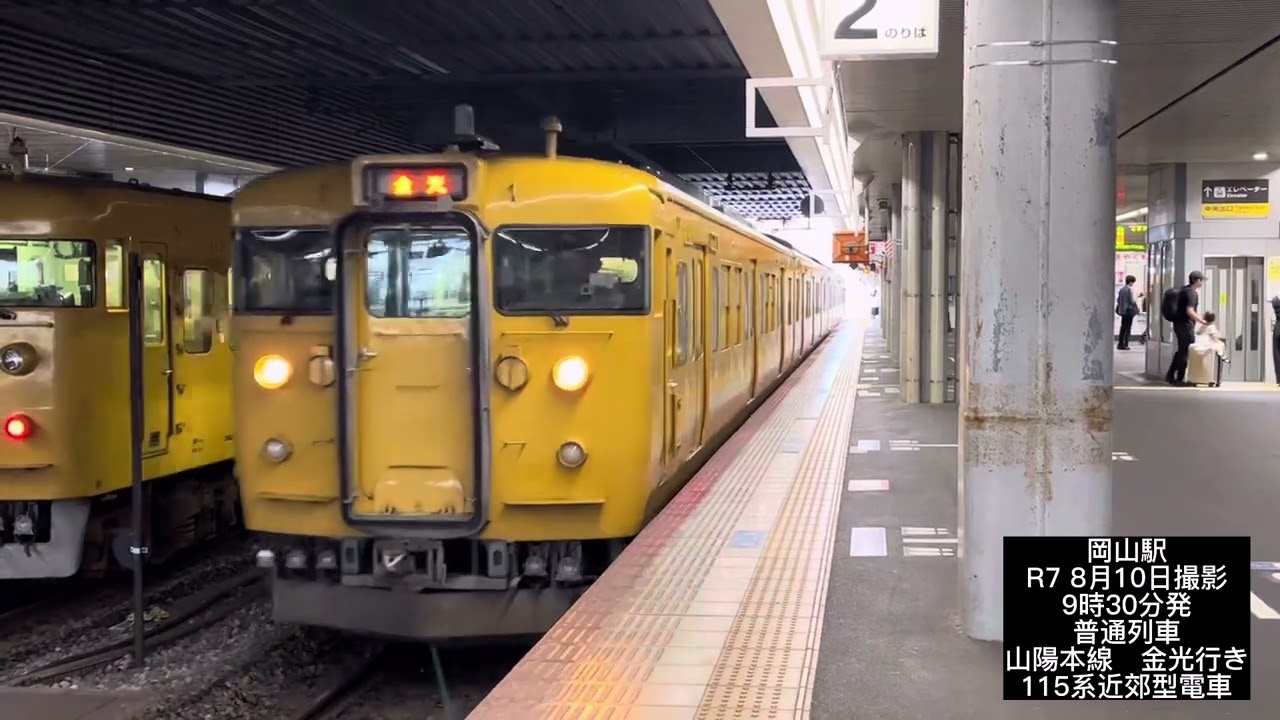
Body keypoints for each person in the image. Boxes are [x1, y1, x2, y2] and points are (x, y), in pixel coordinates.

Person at [1165, 271, 1207, 386]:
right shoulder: (1191, 293)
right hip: (1185, 325)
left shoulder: (1184, 290)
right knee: (1186, 351)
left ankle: (1170, 375)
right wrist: (1202, 321)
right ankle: (1180, 378)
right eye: (1201, 280)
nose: (1202, 283)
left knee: (1182, 350)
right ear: (1196, 280)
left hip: (1179, 325)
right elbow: (1190, 311)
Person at [1187, 310, 1226, 386]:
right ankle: (1211, 378)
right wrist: (1218, 341)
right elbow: (1214, 337)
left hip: (1198, 346)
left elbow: (1198, 333)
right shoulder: (1211, 327)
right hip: (1208, 347)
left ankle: (1194, 378)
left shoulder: (1202, 326)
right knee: (1220, 347)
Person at [1115, 275, 1142, 350]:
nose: (1132, 284)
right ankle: (1125, 344)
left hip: (1122, 311)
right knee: (1127, 328)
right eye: (1132, 282)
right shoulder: (1129, 290)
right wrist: (1138, 297)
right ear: (1130, 282)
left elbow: (1118, 300)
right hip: (1128, 312)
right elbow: (1132, 301)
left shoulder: (1121, 290)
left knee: (1123, 327)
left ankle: (1120, 343)